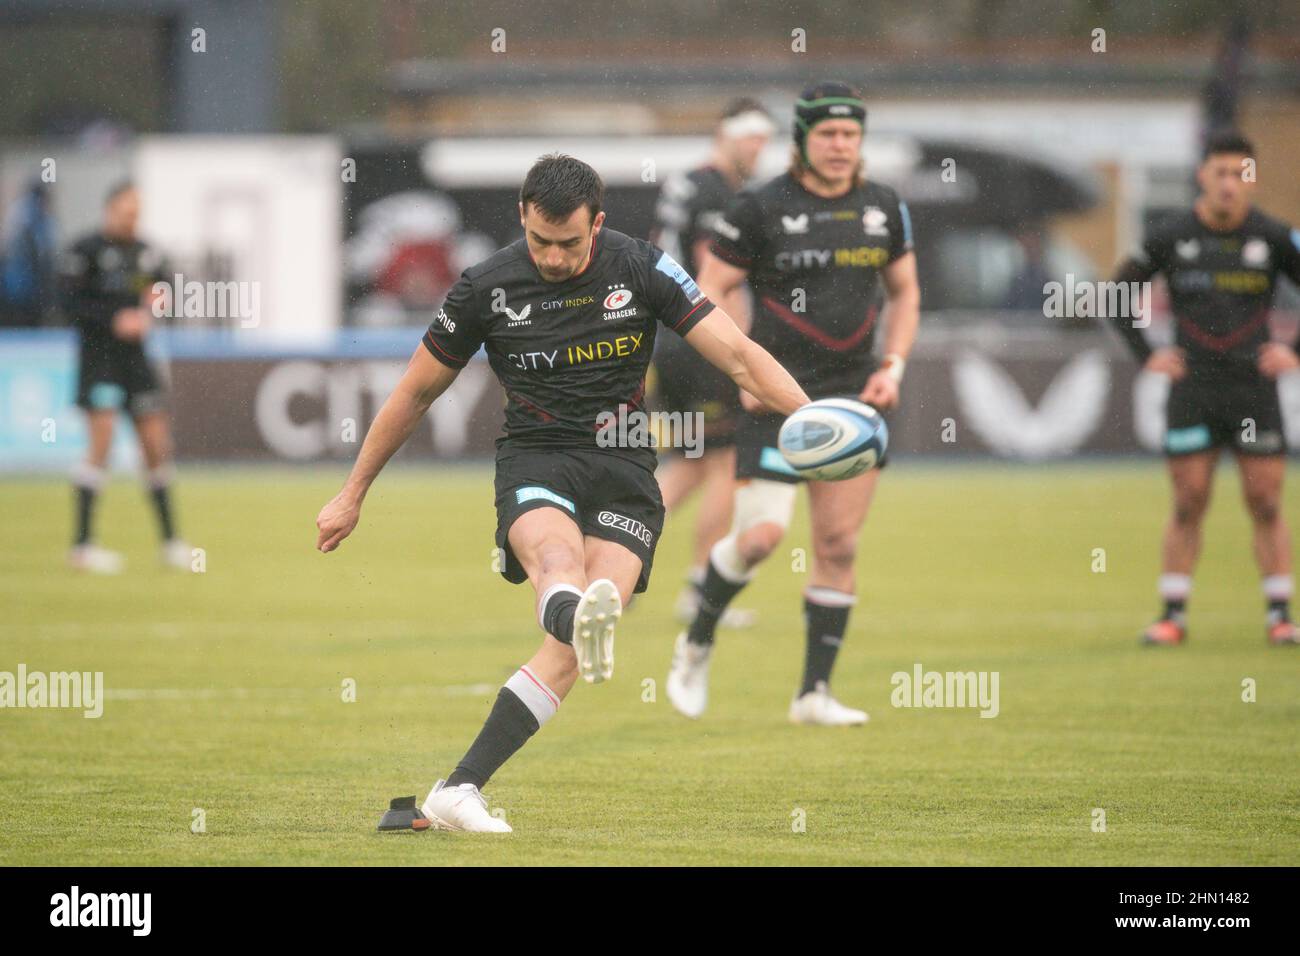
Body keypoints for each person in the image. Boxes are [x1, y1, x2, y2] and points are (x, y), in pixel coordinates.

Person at [314, 154, 810, 832]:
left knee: (576, 643)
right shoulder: (485, 288)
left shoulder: (641, 267)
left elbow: (739, 354)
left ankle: (457, 791)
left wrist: (809, 418)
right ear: (523, 216)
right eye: (540, 240)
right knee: (558, 567)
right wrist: (353, 492)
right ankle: (573, 616)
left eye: (569, 243)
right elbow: (417, 390)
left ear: (597, 224)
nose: (551, 256)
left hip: (625, 466)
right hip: (537, 459)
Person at [666, 81, 921, 724]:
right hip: (773, 399)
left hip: (856, 397)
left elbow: (906, 292)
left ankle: (814, 695)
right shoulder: (758, 207)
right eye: (829, 134)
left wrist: (893, 365)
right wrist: (746, 374)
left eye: (852, 135)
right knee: (760, 537)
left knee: (837, 544)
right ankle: (696, 641)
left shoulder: (884, 206)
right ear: (803, 138)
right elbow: (711, 289)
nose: (841, 146)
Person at [1108, 132, 1300, 646]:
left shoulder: (1275, 237)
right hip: (1193, 389)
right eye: (1221, 173)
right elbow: (1118, 293)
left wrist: (1294, 351)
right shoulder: (1171, 236)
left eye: (1241, 175)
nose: (1230, 185)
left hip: (1253, 390)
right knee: (1189, 500)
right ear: (1202, 176)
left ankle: (1280, 615)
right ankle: (1172, 615)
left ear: (1251, 180)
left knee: (1265, 501)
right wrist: (1149, 356)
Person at [649, 97, 775, 628]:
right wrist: (741, 354)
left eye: (763, 139)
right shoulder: (718, 194)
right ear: (725, 134)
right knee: (727, 459)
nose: (757, 149)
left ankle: (606, 553)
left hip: (671, 337)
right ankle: (703, 589)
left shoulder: (688, 183)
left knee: (694, 462)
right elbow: (714, 278)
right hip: (701, 339)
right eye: (749, 137)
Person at [61, 182, 190, 573]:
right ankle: (82, 546)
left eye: (137, 211)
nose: (132, 218)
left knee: (155, 445)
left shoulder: (146, 253)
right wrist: (113, 319)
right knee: (100, 443)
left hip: (136, 361)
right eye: (126, 210)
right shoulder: (83, 251)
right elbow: (67, 302)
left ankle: (171, 543)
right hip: (98, 359)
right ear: (109, 209)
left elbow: (164, 292)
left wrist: (155, 305)